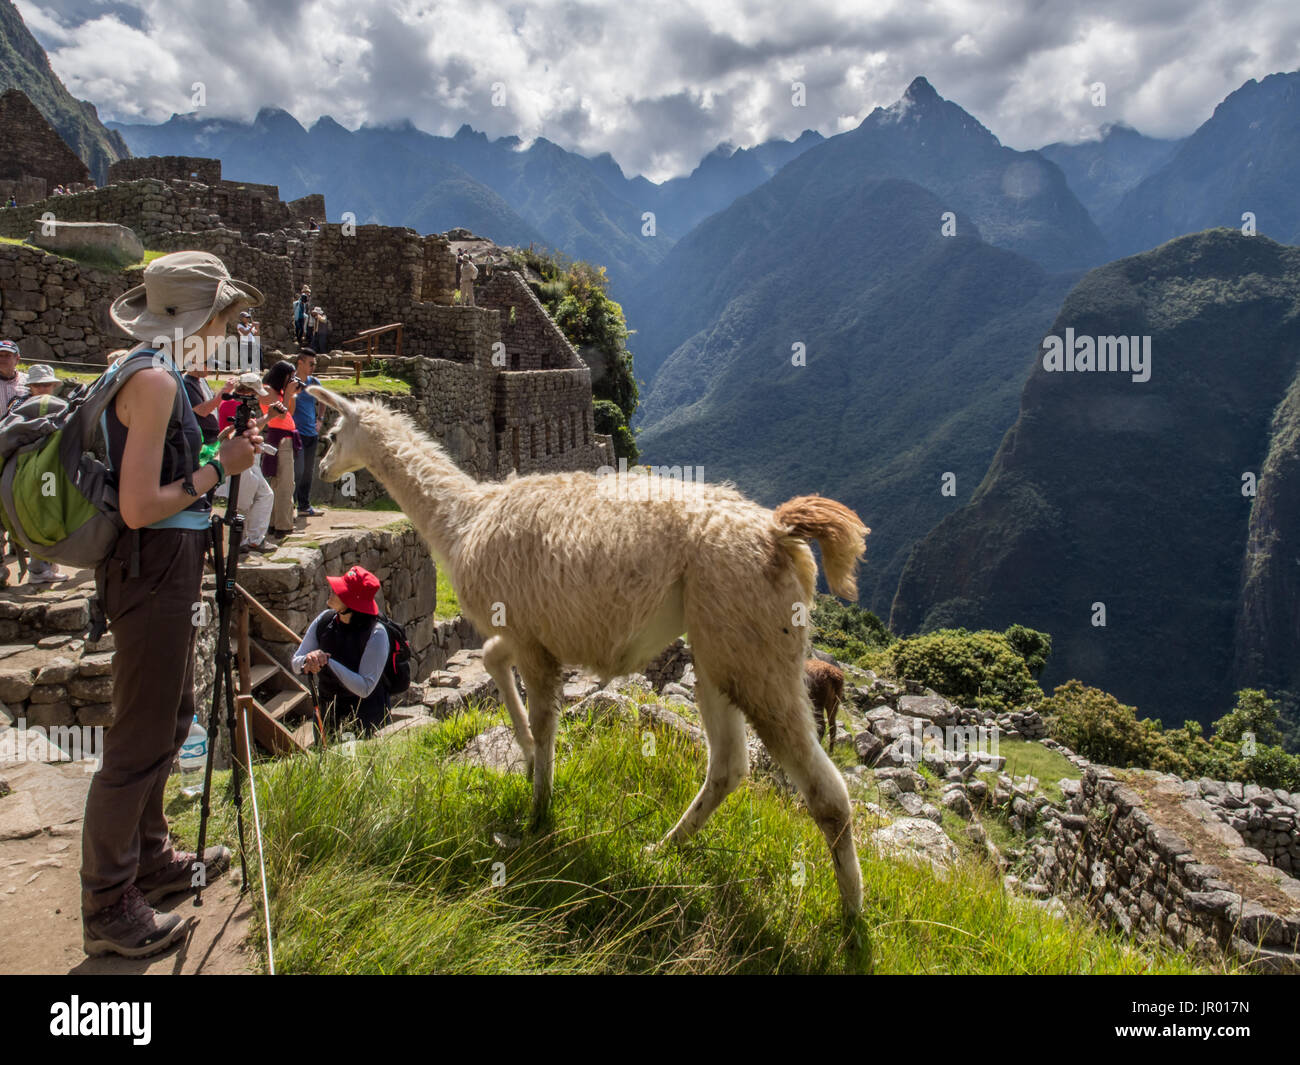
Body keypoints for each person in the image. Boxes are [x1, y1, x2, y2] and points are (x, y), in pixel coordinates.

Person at [81, 250, 265, 959]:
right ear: (197, 319)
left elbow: (160, 469)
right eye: (225, 318)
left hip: (164, 568)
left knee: (170, 716)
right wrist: (222, 468)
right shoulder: (155, 383)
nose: (229, 331)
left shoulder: (152, 374)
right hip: (151, 566)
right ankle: (108, 902)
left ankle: (150, 857)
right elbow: (137, 505)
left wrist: (216, 436)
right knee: (137, 739)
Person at [292, 566, 391, 736]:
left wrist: (327, 662)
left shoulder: (377, 634)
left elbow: (365, 687)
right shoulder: (324, 621)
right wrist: (308, 661)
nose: (332, 591)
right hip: (327, 714)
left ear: (353, 603)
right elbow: (295, 663)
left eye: (339, 591)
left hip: (365, 719)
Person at [215, 374, 276, 553]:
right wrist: (269, 417)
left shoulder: (237, 405)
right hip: (238, 458)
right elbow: (246, 431)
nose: (257, 397)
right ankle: (246, 540)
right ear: (247, 391)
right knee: (244, 502)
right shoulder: (231, 405)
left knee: (262, 496)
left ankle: (253, 539)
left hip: (246, 457)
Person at [260, 359, 300, 538]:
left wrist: (291, 394)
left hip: (286, 438)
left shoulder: (280, 392)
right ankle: (282, 525)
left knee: (284, 483)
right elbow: (280, 413)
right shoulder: (267, 390)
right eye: (290, 377)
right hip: (279, 438)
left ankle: (276, 522)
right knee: (283, 483)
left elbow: (290, 411)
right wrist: (288, 394)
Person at [292, 351, 324, 518]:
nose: (313, 367)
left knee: (307, 472)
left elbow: (323, 400)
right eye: (311, 363)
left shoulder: (314, 382)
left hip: (311, 434)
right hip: (295, 434)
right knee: (296, 471)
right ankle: (289, 504)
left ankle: (304, 506)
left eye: (314, 364)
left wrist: (320, 419)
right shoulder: (291, 382)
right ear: (300, 363)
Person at [0, 339, 29, 412]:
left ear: (17, 359)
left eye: (7, 355)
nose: (2, 359)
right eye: (0, 355)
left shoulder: (29, 381)